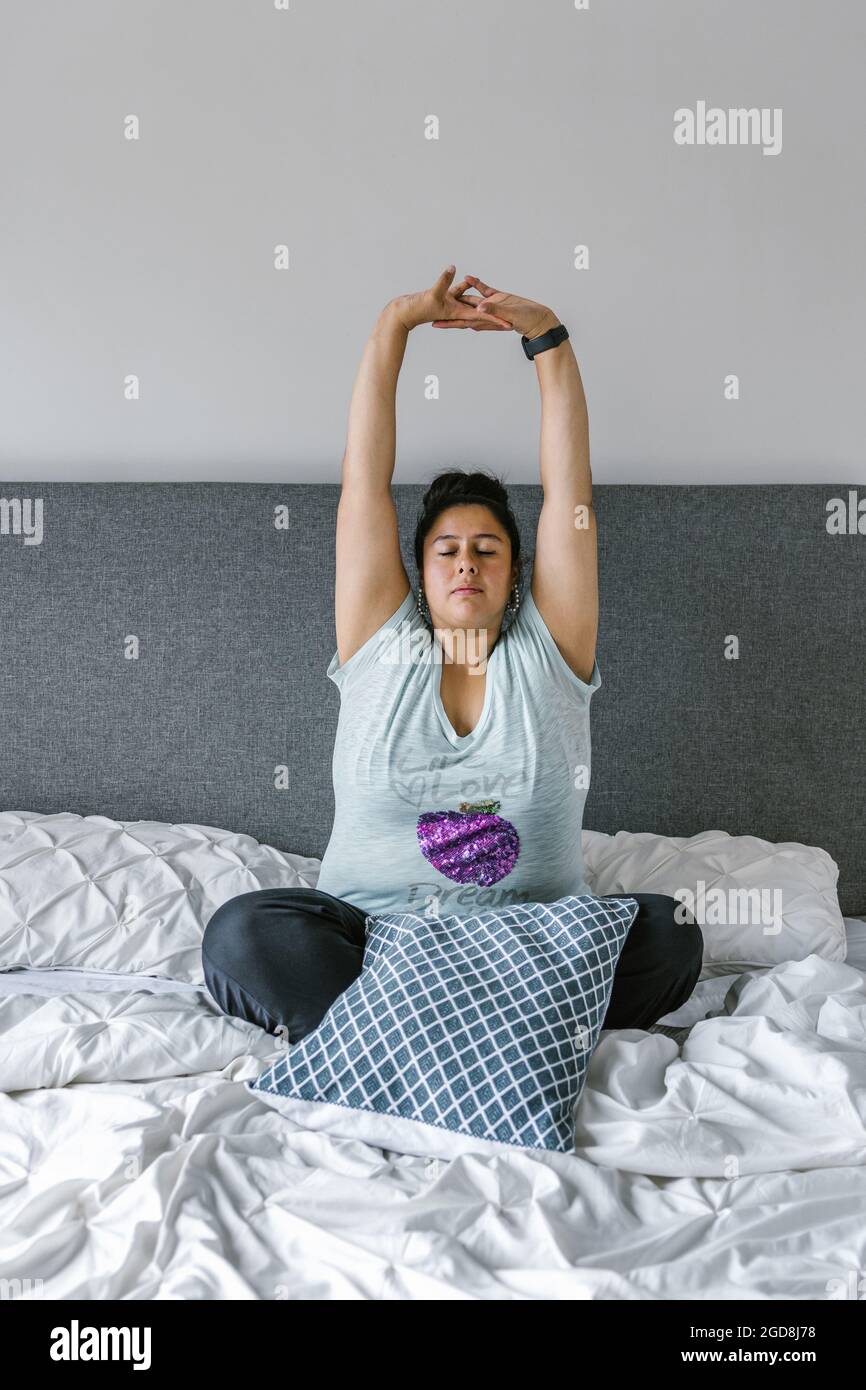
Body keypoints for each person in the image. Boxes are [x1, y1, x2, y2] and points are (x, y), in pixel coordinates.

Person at [202, 267, 704, 1044]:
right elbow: (361, 488)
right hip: (372, 944)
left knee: (668, 929)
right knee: (244, 933)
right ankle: (485, 1031)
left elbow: (573, 496)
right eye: (446, 550)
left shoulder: (550, 651)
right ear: (420, 571)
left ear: (514, 576)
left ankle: (396, 1034)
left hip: (531, 946)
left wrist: (550, 342)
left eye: (487, 549)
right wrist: (395, 326)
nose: (466, 563)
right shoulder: (381, 641)